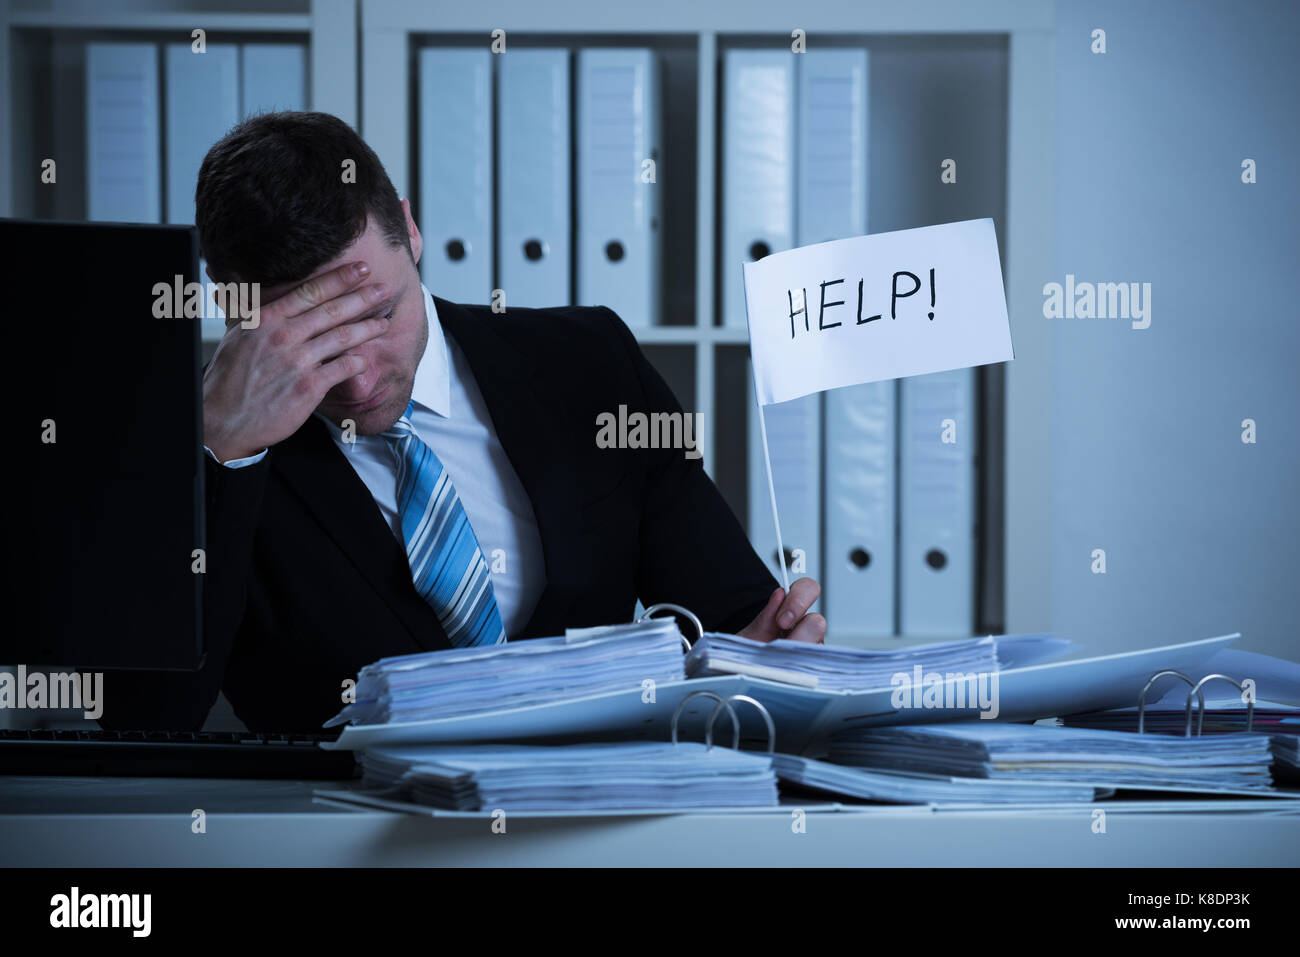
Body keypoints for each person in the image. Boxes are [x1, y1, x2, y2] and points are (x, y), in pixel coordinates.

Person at [105, 111, 825, 733]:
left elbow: (735, 624)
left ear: (411, 230)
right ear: (235, 314)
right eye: (310, 346)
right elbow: (139, 721)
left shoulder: (590, 364)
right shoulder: (190, 450)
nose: (356, 379)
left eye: (377, 313)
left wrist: (765, 658)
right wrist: (218, 455)